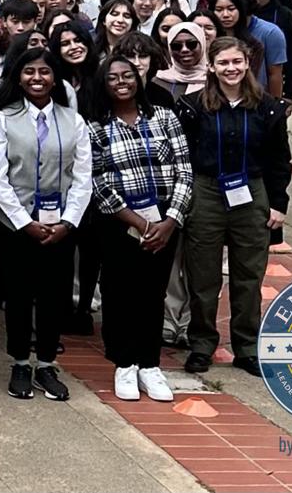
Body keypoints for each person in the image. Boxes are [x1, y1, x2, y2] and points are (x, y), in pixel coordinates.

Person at [0, 44, 92, 402]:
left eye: (44, 72)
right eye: (29, 71)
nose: (37, 78)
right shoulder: (3, 119)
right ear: (18, 76)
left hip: (59, 225)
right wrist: (23, 221)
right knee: (18, 294)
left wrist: (68, 221)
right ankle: (19, 362)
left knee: (54, 293)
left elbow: (82, 175)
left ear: (55, 78)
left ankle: (46, 363)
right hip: (15, 223)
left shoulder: (73, 120)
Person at [178, 38, 291, 377]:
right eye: (223, 63)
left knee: (248, 276)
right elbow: (182, 156)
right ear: (211, 66)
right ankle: (201, 344)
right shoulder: (191, 106)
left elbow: (279, 159)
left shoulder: (268, 107)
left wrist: (278, 203)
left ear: (248, 64)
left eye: (237, 62)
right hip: (206, 190)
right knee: (203, 276)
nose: (231, 69)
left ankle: (246, 346)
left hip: (252, 191)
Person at [87, 55, 191, 403]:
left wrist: (169, 221)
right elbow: (97, 180)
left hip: (165, 222)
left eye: (127, 76)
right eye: (113, 78)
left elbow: (184, 172)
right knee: (118, 292)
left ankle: (150, 364)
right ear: (104, 84)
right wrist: (141, 223)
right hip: (121, 223)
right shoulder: (96, 127)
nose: (121, 82)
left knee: (153, 292)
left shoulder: (164, 117)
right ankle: (124, 363)